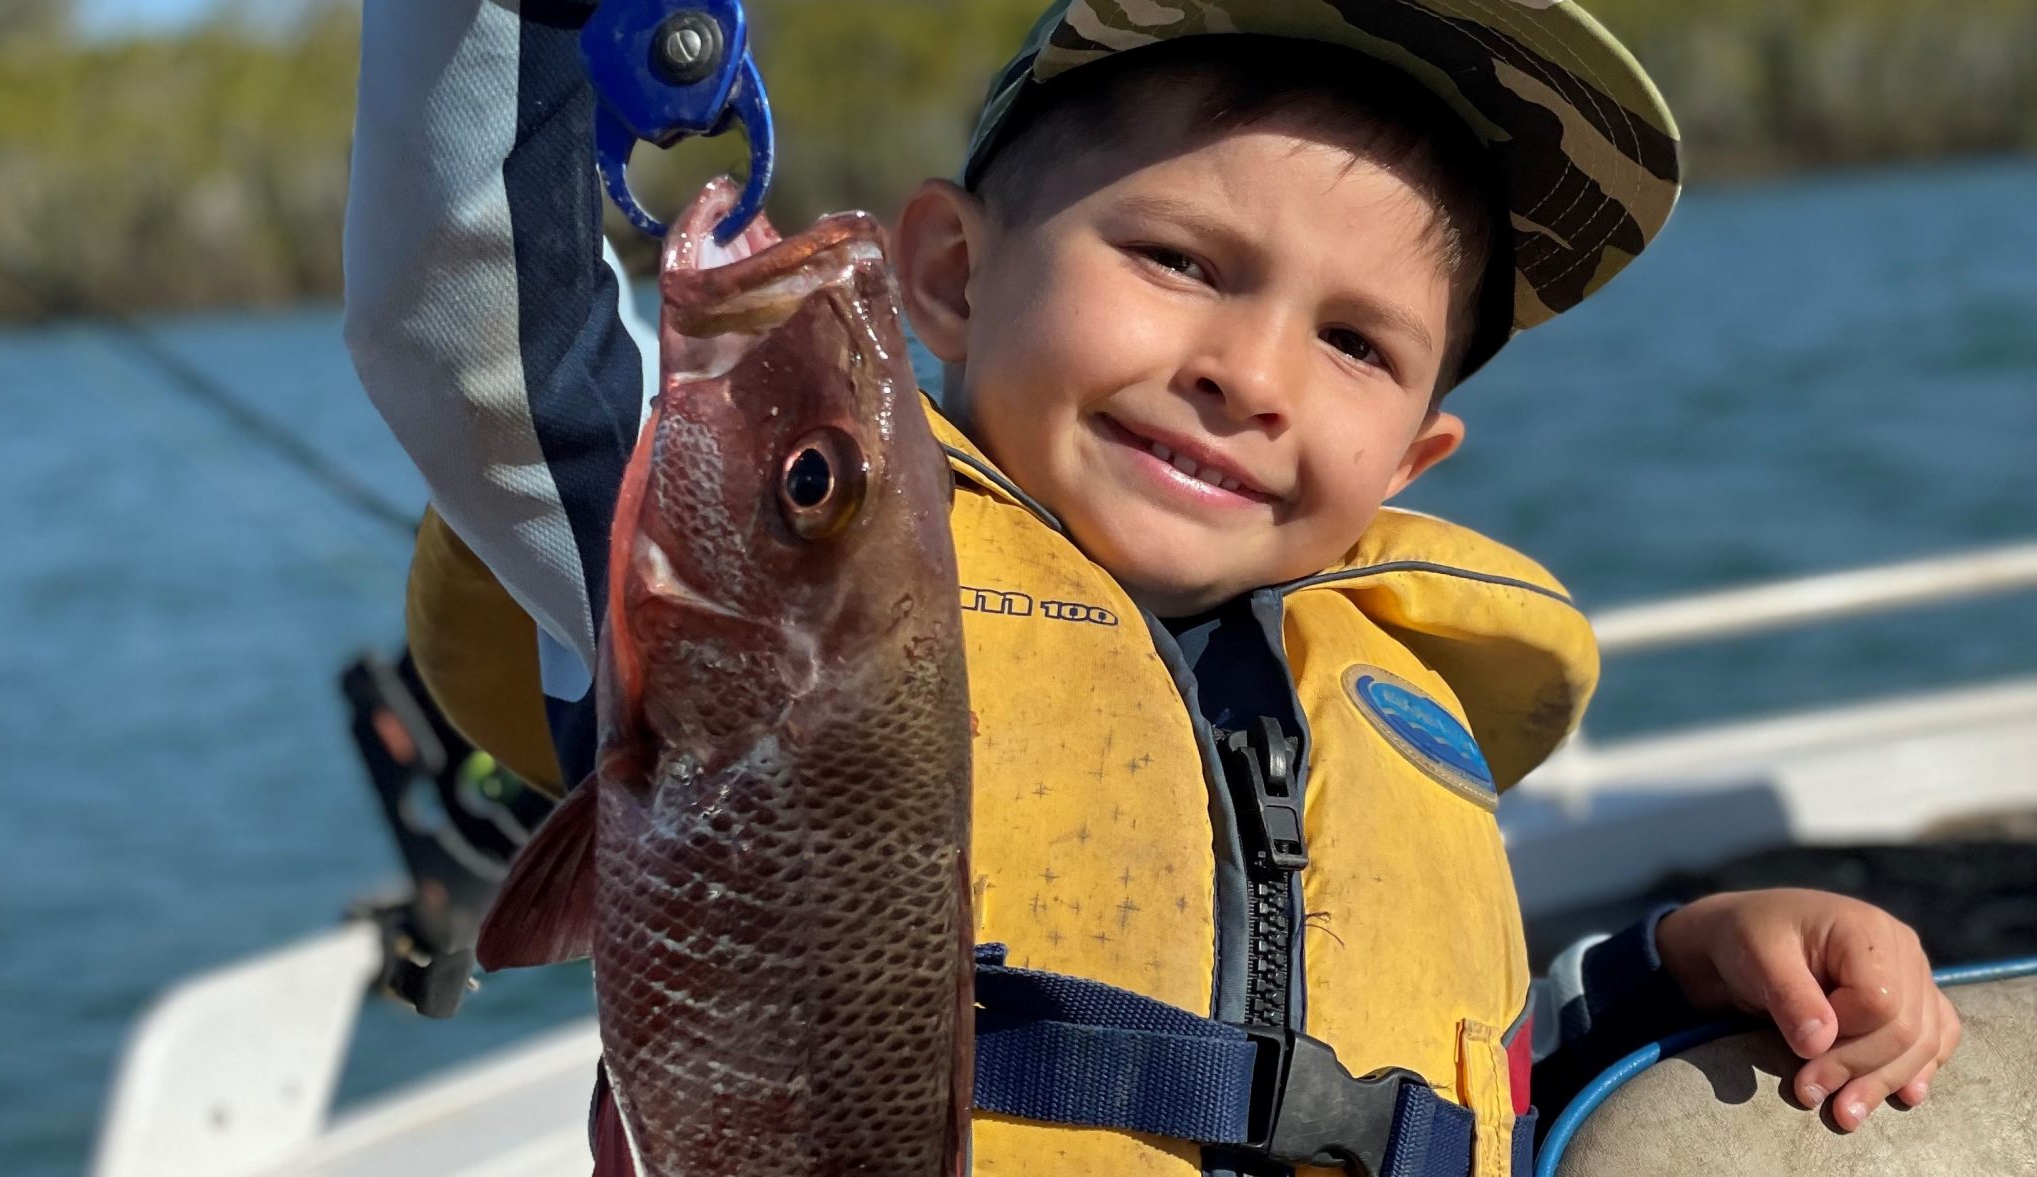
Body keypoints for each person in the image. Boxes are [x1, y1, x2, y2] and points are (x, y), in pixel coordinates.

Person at [343, 2, 1960, 1173]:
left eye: (1354, 342)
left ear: (1412, 457)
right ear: (954, 273)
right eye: (1179, 258)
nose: (1249, 373)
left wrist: (1674, 975)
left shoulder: (1376, 696)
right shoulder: (768, 560)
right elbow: (470, 315)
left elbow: (1452, 1087)